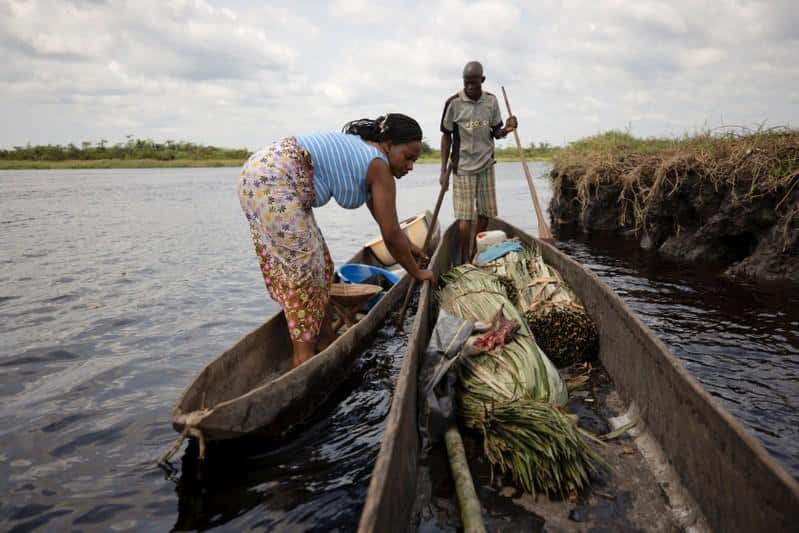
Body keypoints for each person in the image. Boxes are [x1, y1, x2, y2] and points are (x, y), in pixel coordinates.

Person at [238, 113, 435, 368]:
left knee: (322, 264)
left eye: (414, 161)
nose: (410, 166)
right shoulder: (378, 165)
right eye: (407, 157)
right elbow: (390, 236)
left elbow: (388, 225)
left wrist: (409, 247)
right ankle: (304, 358)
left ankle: (326, 339)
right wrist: (418, 273)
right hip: (273, 181)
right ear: (388, 144)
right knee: (305, 272)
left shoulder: (367, 153)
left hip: (260, 173)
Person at [439, 60, 518, 263]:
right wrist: (442, 170)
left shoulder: (491, 102)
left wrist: (507, 129)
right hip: (462, 167)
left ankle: (476, 251)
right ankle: (465, 257)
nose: (470, 87)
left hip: (486, 165)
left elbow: (496, 132)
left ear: (482, 80)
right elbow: (446, 136)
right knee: (465, 217)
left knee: (485, 213)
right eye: (467, 83)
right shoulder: (454, 103)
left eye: (474, 83)